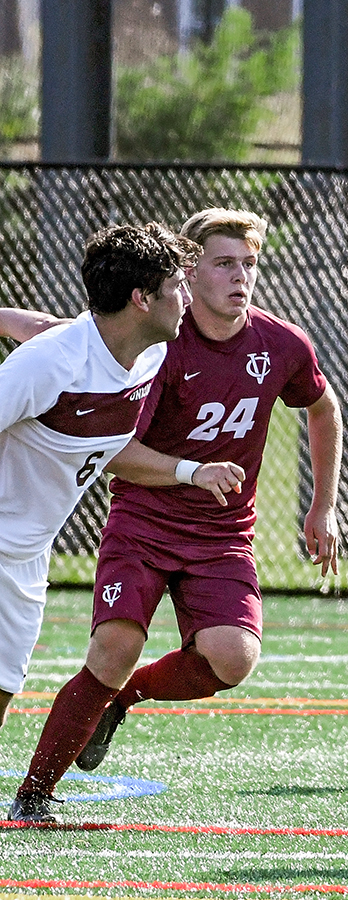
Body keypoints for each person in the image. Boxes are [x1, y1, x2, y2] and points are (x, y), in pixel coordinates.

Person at [9, 209, 343, 824]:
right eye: (222, 264)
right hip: (144, 522)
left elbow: (322, 409)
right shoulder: (158, 341)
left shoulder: (282, 344)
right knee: (114, 648)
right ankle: (34, 796)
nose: (239, 277)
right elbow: (116, 450)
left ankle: (125, 697)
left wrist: (322, 504)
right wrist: (190, 471)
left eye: (248, 264)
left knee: (232, 658)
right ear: (190, 272)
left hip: (222, 535)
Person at [0, 223, 225, 733]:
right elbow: (49, 347)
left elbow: (108, 447)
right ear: (141, 299)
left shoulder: (147, 354)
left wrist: (190, 472)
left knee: (4, 685)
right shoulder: (51, 362)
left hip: (27, 554)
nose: (187, 298)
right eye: (176, 287)